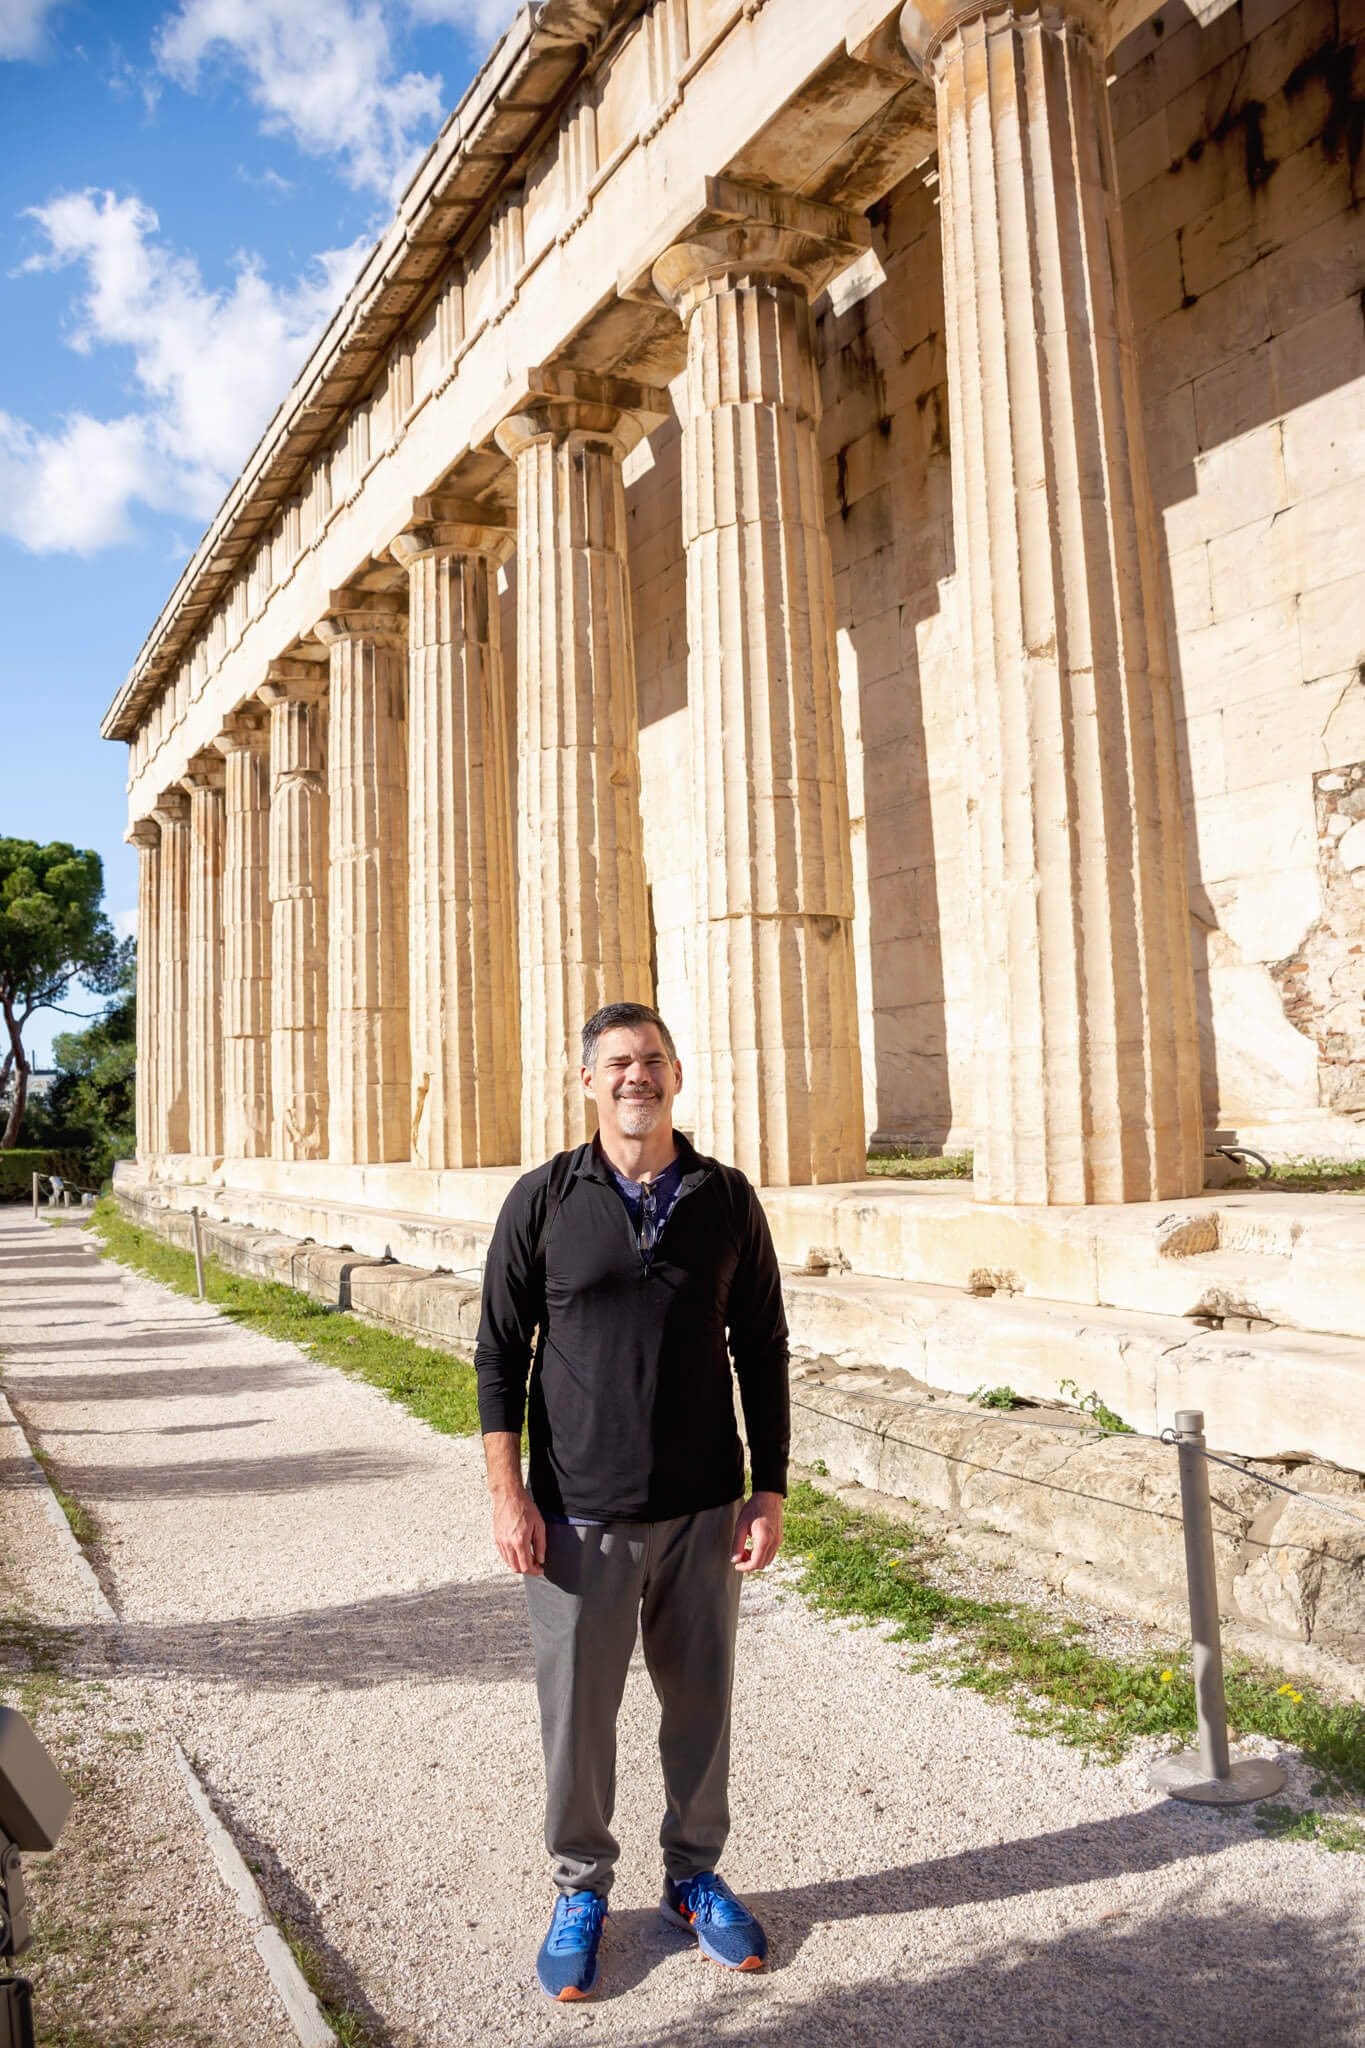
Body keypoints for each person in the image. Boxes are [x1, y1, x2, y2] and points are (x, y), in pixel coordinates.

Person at [474, 1001, 789, 2001]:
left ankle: (695, 1875)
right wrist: (507, 1492)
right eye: (617, 1062)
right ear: (586, 1081)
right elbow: (495, 1352)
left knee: (699, 1710)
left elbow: (764, 1346)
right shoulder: (543, 1198)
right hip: (577, 1512)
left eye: (651, 1059)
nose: (635, 1076)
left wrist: (768, 1487)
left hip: (701, 1507)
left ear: (678, 1074)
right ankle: (581, 1887)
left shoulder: (726, 1197)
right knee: (579, 1719)